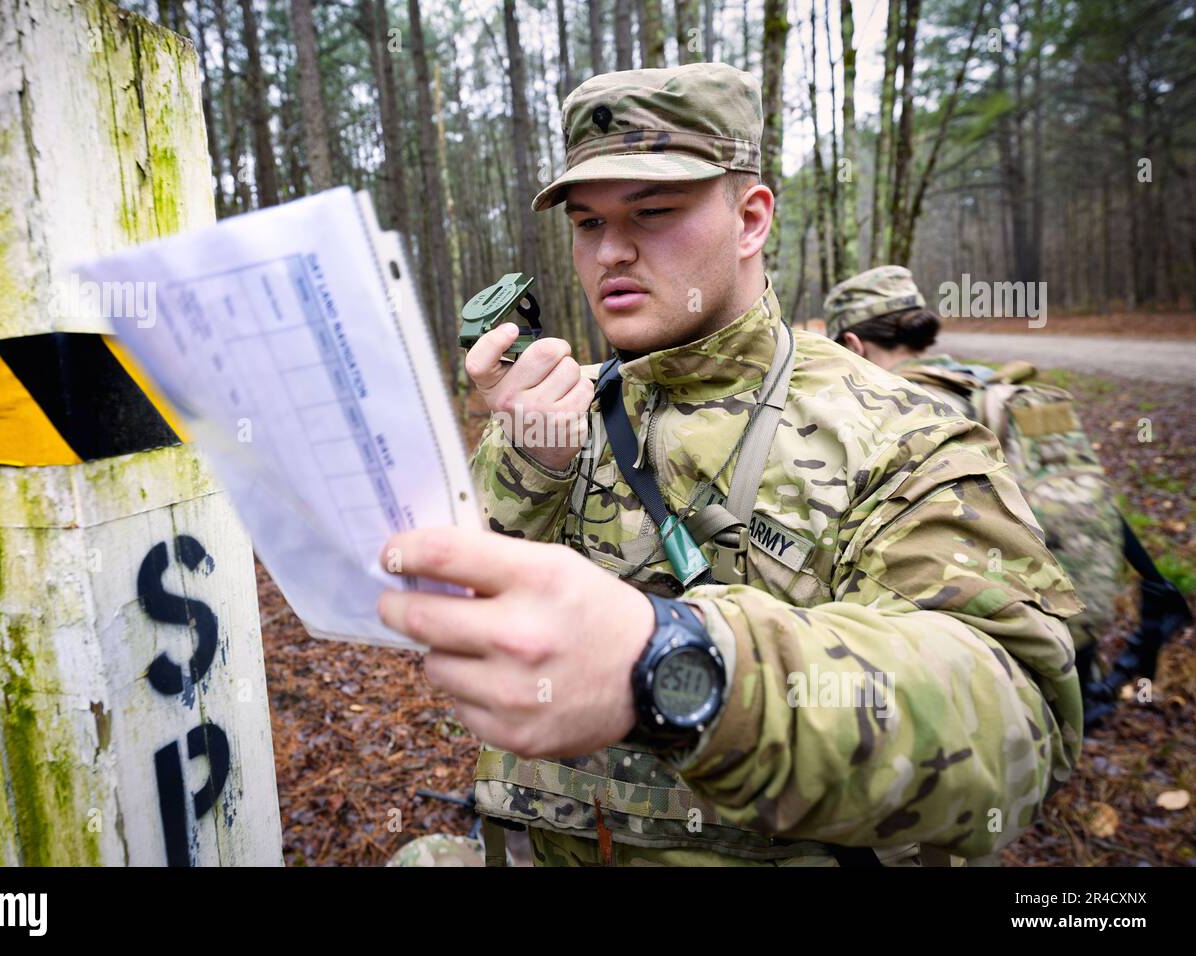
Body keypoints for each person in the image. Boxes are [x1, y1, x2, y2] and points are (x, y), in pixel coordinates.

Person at [375, 62, 1083, 867]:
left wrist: (682, 666)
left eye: (653, 211)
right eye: (587, 223)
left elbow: (1019, 724)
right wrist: (530, 464)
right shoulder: (560, 412)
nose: (612, 251)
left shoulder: (897, 432)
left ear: (750, 220)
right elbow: (441, 611)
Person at [823, 265, 1191, 730]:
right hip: (1078, 607)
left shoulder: (901, 410)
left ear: (853, 346)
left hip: (998, 644)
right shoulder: (993, 387)